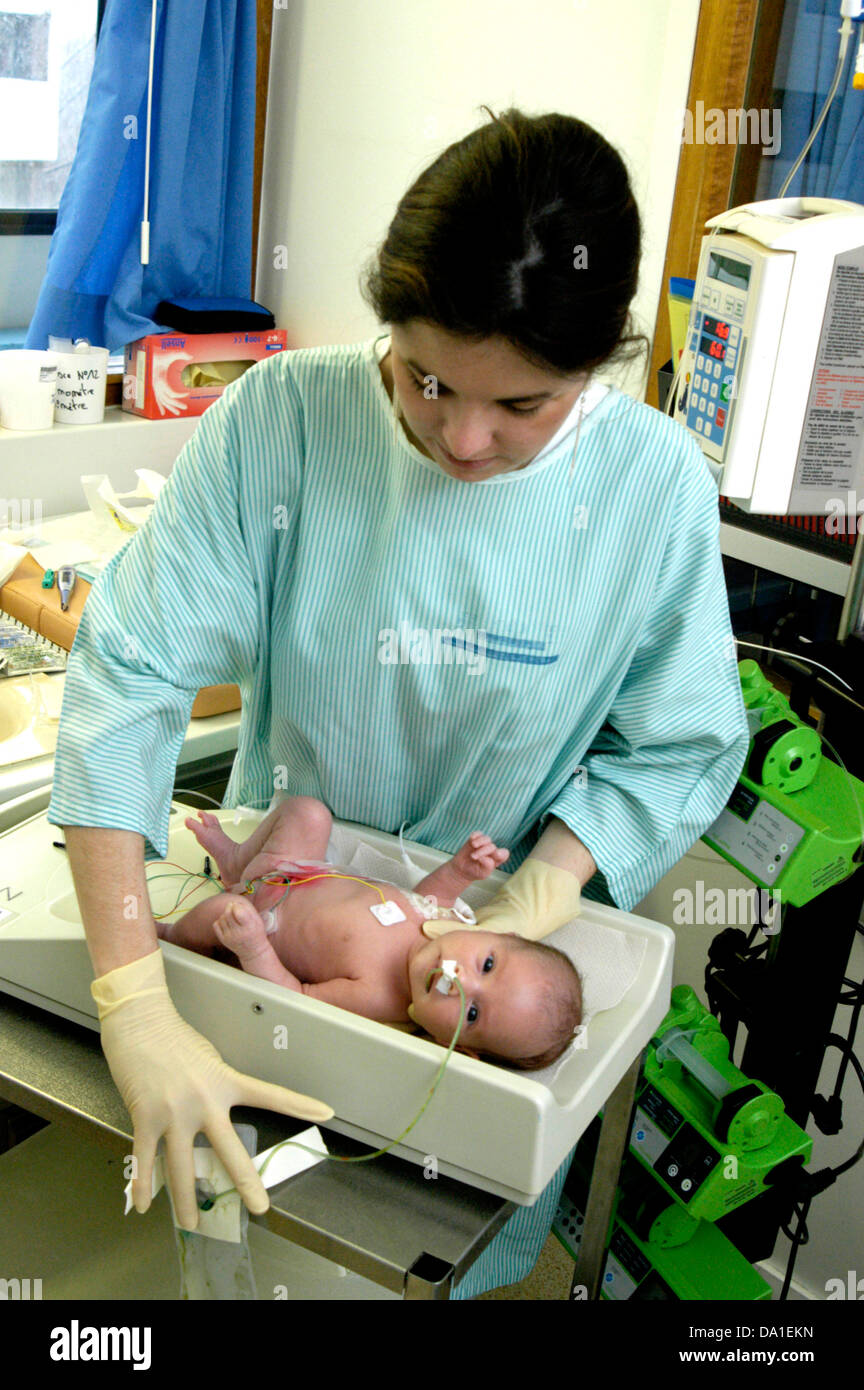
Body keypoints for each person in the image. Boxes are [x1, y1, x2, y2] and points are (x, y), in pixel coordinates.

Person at [49, 107, 748, 1296]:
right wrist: (130, 994)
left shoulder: (651, 487)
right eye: (427, 379)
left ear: (601, 359)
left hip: (465, 991)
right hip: (271, 928)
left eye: (520, 406)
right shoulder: (284, 422)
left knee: (417, 1257)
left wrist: (547, 883)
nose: (463, 438)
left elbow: (675, 741)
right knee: (246, 1246)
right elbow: (131, 666)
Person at [156, 797, 582, 1069]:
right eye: (487, 964)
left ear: (454, 1047)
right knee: (308, 813)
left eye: (471, 1014)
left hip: (259, 921)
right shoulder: (446, 927)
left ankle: (174, 938)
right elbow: (428, 896)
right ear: (496, 934)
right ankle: (239, 862)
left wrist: (251, 948)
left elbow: (295, 996)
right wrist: (459, 872)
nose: (458, 980)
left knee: (221, 909)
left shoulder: (379, 998)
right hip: (295, 870)